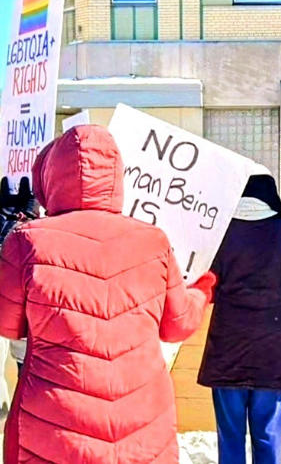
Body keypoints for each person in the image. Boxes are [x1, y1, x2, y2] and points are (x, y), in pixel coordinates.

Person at [0, 126, 216, 463]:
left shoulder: (27, 241)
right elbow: (179, 324)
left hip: (54, 430)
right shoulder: (152, 241)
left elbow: (7, 324)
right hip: (141, 427)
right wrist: (203, 290)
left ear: (50, 176)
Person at [197, 173, 281, 464]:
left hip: (226, 353)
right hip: (274, 353)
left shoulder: (221, 235)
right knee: (268, 439)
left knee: (229, 441)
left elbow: (205, 286)